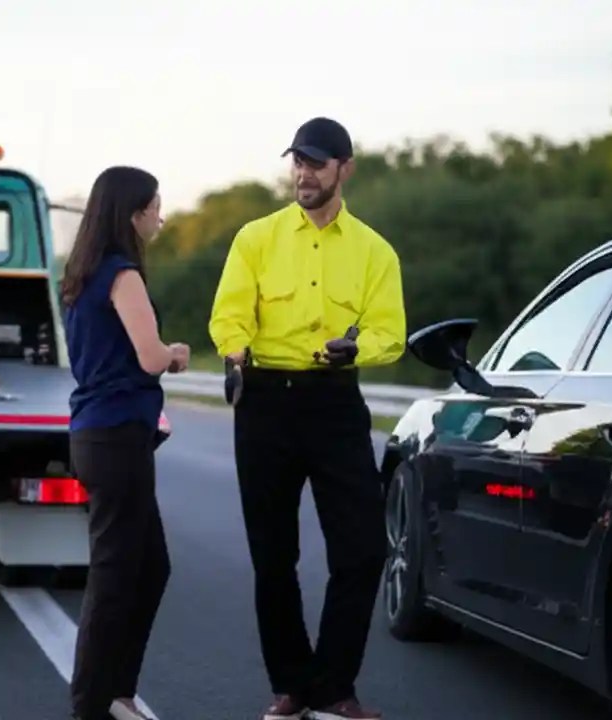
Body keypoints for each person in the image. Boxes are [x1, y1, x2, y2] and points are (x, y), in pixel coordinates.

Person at [208, 117, 406, 720]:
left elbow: (388, 333)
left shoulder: (375, 251)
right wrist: (236, 351)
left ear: (345, 169)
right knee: (274, 555)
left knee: (364, 551)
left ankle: (335, 685)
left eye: (317, 164)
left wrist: (358, 349)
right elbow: (229, 315)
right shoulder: (255, 238)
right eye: (298, 161)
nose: (304, 173)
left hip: (335, 404)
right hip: (265, 401)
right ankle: (291, 685)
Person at [60, 166, 189, 720]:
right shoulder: (123, 274)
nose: (161, 215)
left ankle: (116, 692)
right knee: (114, 575)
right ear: (134, 213)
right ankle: (92, 705)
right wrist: (177, 353)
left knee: (150, 565)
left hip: (100, 433)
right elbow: (150, 357)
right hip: (115, 437)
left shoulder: (82, 275)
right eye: (156, 206)